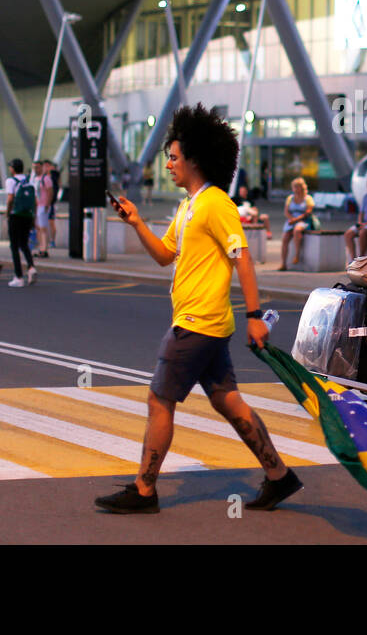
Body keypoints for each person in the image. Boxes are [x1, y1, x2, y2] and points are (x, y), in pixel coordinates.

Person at [96, 104, 299, 514]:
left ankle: (144, 489)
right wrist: (136, 222)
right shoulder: (189, 207)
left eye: (173, 157)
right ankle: (279, 477)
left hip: (197, 323)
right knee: (227, 400)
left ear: (194, 160)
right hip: (206, 324)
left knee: (159, 400)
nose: (168, 164)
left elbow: (242, 257)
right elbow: (165, 255)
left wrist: (256, 318)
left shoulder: (215, 204)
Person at [5, 159, 39, 288]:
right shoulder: (30, 181)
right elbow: (35, 202)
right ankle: (31, 267)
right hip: (28, 216)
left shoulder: (11, 181)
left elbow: (10, 199)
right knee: (24, 244)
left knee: (14, 246)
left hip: (16, 215)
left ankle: (18, 277)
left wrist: (8, 213)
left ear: (13, 169)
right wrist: (33, 217)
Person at [278, 177, 314, 271]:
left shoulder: (308, 198)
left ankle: (297, 255)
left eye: (297, 187)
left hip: (304, 220)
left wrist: (296, 220)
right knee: (285, 237)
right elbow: (286, 212)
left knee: (297, 230)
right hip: (292, 220)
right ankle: (283, 263)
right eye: (294, 187)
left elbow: (308, 212)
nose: (295, 189)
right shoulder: (290, 198)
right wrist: (291, 219)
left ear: (302, 187)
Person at [30, 159, 54, 257]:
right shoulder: (35, 179)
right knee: (38, 228)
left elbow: (50, 192)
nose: (36, 169)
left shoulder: (46, 179)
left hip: (43, 205)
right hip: (37, 206)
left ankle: (44, 248)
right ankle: (41, 247)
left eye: (37, 167)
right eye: (34, 167)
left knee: (43, 228)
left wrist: (47, 204)